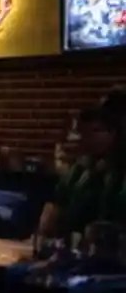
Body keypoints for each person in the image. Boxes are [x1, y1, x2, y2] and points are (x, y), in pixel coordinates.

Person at [39, 89, 126, 239]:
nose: (88, 138)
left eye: (97, 130)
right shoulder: (81, 169)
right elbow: (56, 206)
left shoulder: (117, 174)